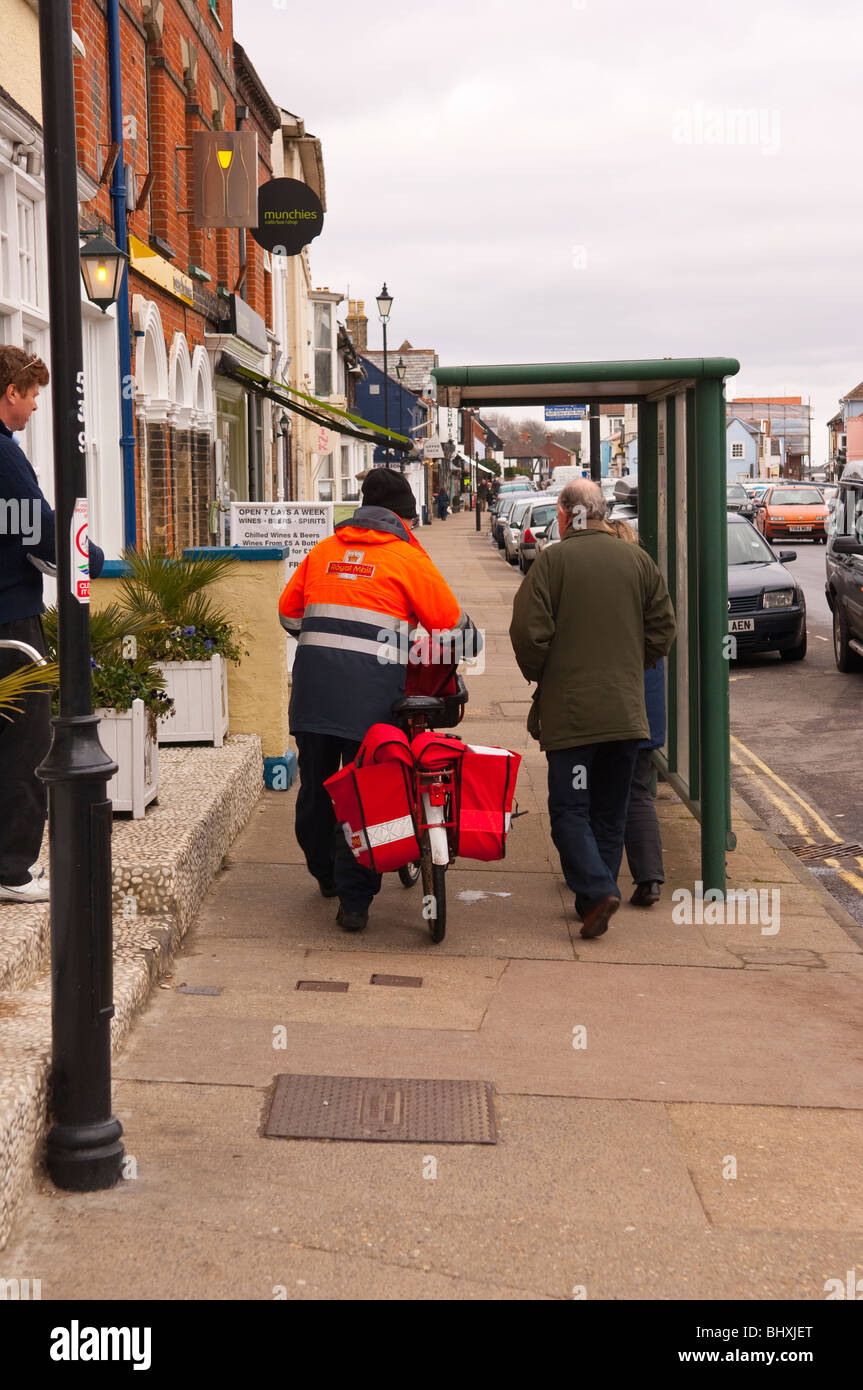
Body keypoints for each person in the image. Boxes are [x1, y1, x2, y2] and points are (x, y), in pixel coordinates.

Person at [278, 467, 481, 933]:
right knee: (367, 793)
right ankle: (353, 902)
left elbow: (289, 617)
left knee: (316, 788)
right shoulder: (408, 559)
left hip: (312, 692)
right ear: (402, 519)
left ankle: (325, 874)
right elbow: (456, 636)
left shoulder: (323, 551)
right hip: (371, 700)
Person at [509, 479, 676, 940]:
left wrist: (547, 671)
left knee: (569, 810)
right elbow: (664, 628)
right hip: (625, 715)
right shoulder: (638, 560)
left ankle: (599, 889)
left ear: (565, 515)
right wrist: (630, 665)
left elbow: (527, 633)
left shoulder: (552, 562)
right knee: (609, 810)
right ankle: (594, 901)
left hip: (575, 719)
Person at [0, 347, 105, 903]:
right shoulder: (2, 453)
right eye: (32, 392)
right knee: (24, 741)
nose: (37, 403)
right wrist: (93, 559)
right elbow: (37, 528)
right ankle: (13, 869)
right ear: (10, 392)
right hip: (10, 620)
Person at [604, 518, 666, 907]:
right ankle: (650, 880)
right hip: (646, 708)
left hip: (612, 706)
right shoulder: (647, 578)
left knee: (599, 794)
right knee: (638, 792)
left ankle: (599, 882)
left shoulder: (607, 586)